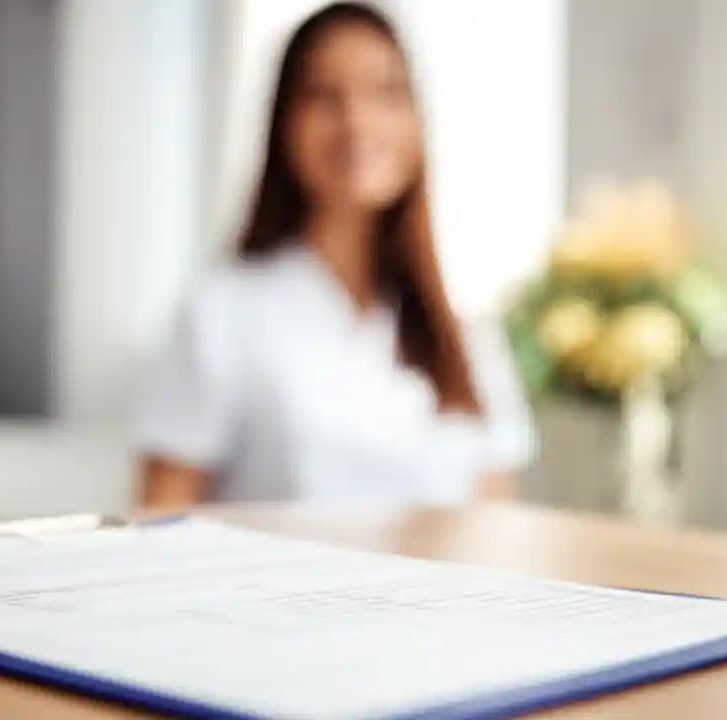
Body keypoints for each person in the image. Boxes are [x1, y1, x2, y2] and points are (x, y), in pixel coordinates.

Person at [135, 2, 535, 509]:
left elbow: (495, 518)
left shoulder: (462, 327)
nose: (357, 121)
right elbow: (163, 516)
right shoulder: (221, 310)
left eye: (385, 94)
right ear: (285, 124)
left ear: (416, 122)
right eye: (325, 96)